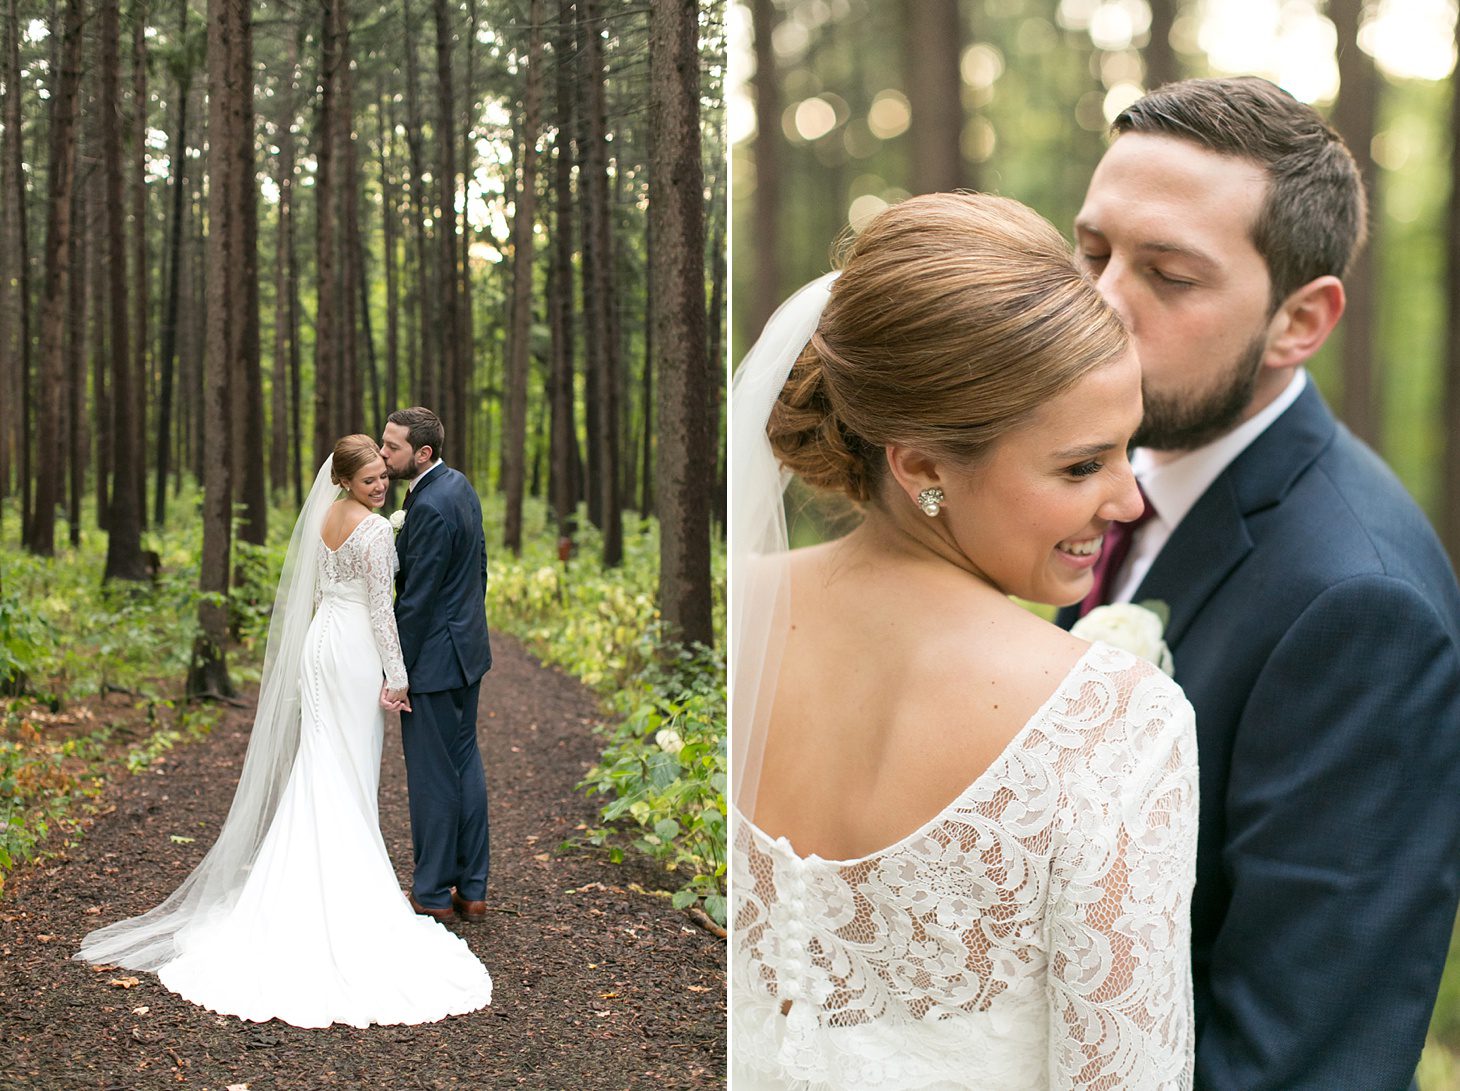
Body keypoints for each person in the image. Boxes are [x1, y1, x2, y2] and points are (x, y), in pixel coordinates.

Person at [730, 192, 1199, 1088]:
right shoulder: (1116, 723)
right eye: (1079, 464)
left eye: (1125, 450)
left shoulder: (738, 611)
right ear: (924, 468)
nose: (1130, 500)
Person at [1061, 75, 1460, 1089]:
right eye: (1092, 251)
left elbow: (1301, 1056)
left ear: (1299, 322)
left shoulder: (1358, 607)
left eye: (1168, 274)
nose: (1098, 306)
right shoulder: (1124, 473)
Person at [76, 435, 493, 1027]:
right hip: (351, 655)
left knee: (322, 761)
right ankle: (344, 894)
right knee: (347, 768)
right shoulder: (375, 531)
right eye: (371, 479)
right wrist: (397, 680)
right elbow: (380, 611)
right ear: (346, 480)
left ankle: (294, 886)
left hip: (320, 644)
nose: (381, 486)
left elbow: (332, 589)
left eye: (383, 476)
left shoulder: (326, 517)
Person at [379, 407, 493, 923]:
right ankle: (471, 890)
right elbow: (479, 570)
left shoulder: (427, 507)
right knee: (464, 764)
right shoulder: (459, 486)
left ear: (422, 453)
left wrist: (396, 670)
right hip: (467, 651)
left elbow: (417, 600)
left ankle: (429, 892)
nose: (384, 454)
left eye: (393, 447)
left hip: (436, 662)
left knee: (431, 777)